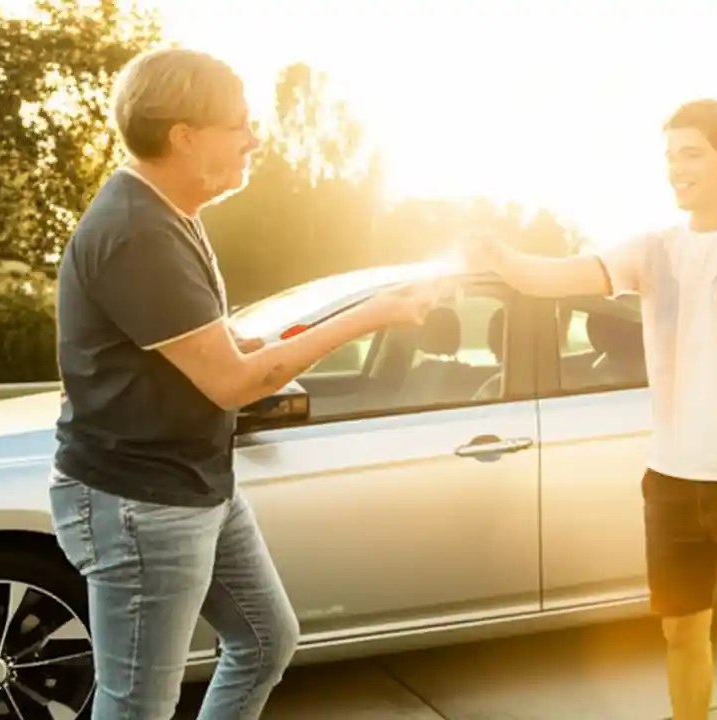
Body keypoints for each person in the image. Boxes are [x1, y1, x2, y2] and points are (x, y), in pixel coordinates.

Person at [48, 48, 434, 719]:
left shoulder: (170, 213)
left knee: (263, 640)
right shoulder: (138, 231)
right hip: (141, 503)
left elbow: (204, 350)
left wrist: (270, 341)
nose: (255, 138)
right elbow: (232, 383)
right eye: (241, 124)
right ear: (185, 136)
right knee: (136, 704)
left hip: (195, 485)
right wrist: (371, 317)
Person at [465, 99, 717, 720]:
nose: (675, 168)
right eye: (669, 156)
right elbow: (552, 276)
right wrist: (500, 256)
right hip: (672, 486)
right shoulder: (652, 249)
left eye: (691, 154)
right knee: (681, 637)